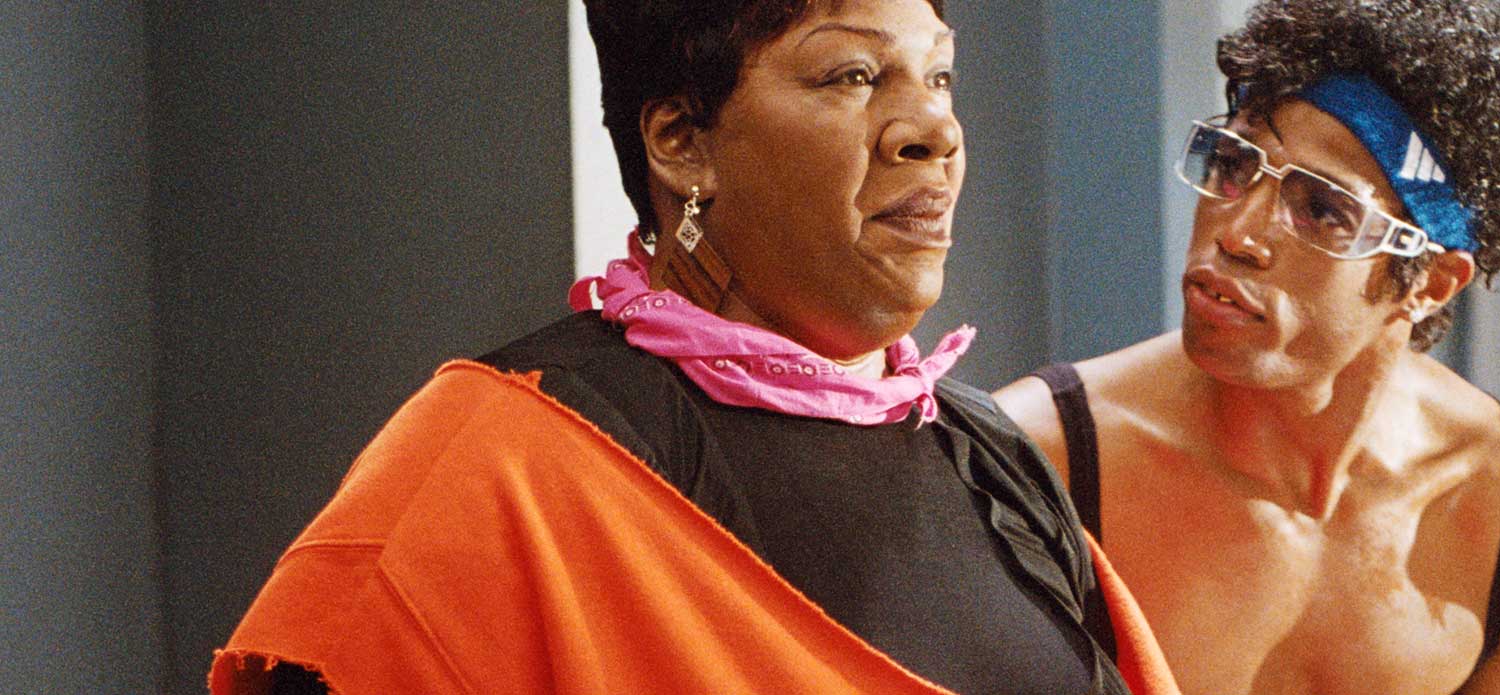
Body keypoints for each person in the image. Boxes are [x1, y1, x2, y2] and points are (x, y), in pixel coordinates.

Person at [208, 1, 1179, 694]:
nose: (935, 129)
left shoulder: (986, 450)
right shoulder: (493, 469)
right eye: (852, 75)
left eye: (939, 76)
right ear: (682, 141)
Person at [995, 1, 1500, 693]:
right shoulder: (1034, 460)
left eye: (1322, 210)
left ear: (1432, 282)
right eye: (1234, 164)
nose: (1237, 233)